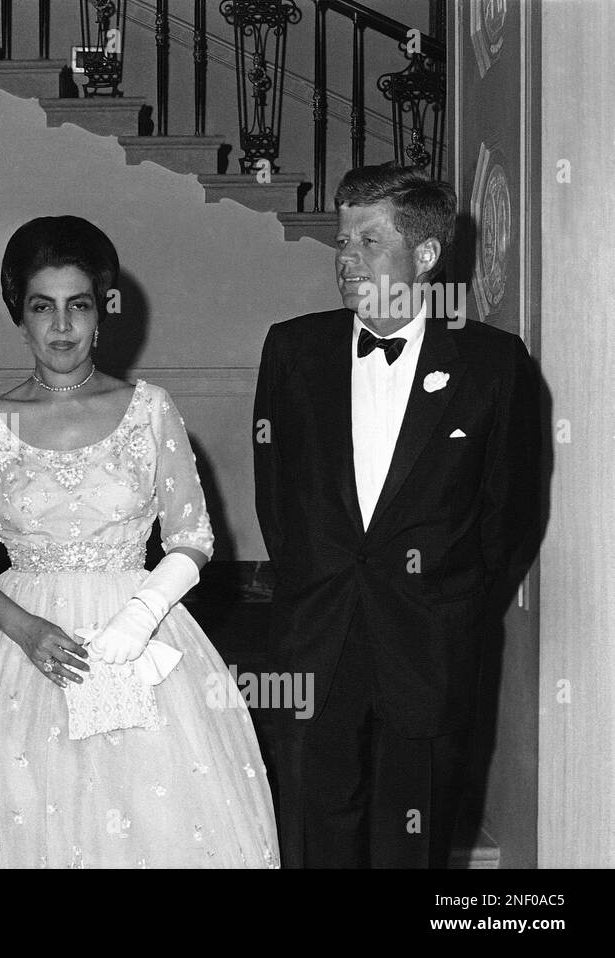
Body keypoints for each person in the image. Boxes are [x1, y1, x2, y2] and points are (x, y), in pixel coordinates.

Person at [0, 216, 279, 868]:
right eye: (43, 307)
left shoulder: (151, 410)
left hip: (140, 639)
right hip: (13, 648)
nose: (61, 327)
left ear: (102, 313)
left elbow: (193, 536)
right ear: (20, 315)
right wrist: (27, 630)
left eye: (79, 306)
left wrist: (138, 618)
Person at [253, 163, 541, 868]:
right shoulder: (293, 350)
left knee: (414, 832)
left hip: (430, 639)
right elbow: (276, 494)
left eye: (367, 241)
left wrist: (453, 607)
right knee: (318, 827)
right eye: (342, 240)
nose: (345, 259)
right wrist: (309, 583)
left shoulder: (492, 364)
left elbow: (511, 515)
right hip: (318, 633)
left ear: (426, 256)